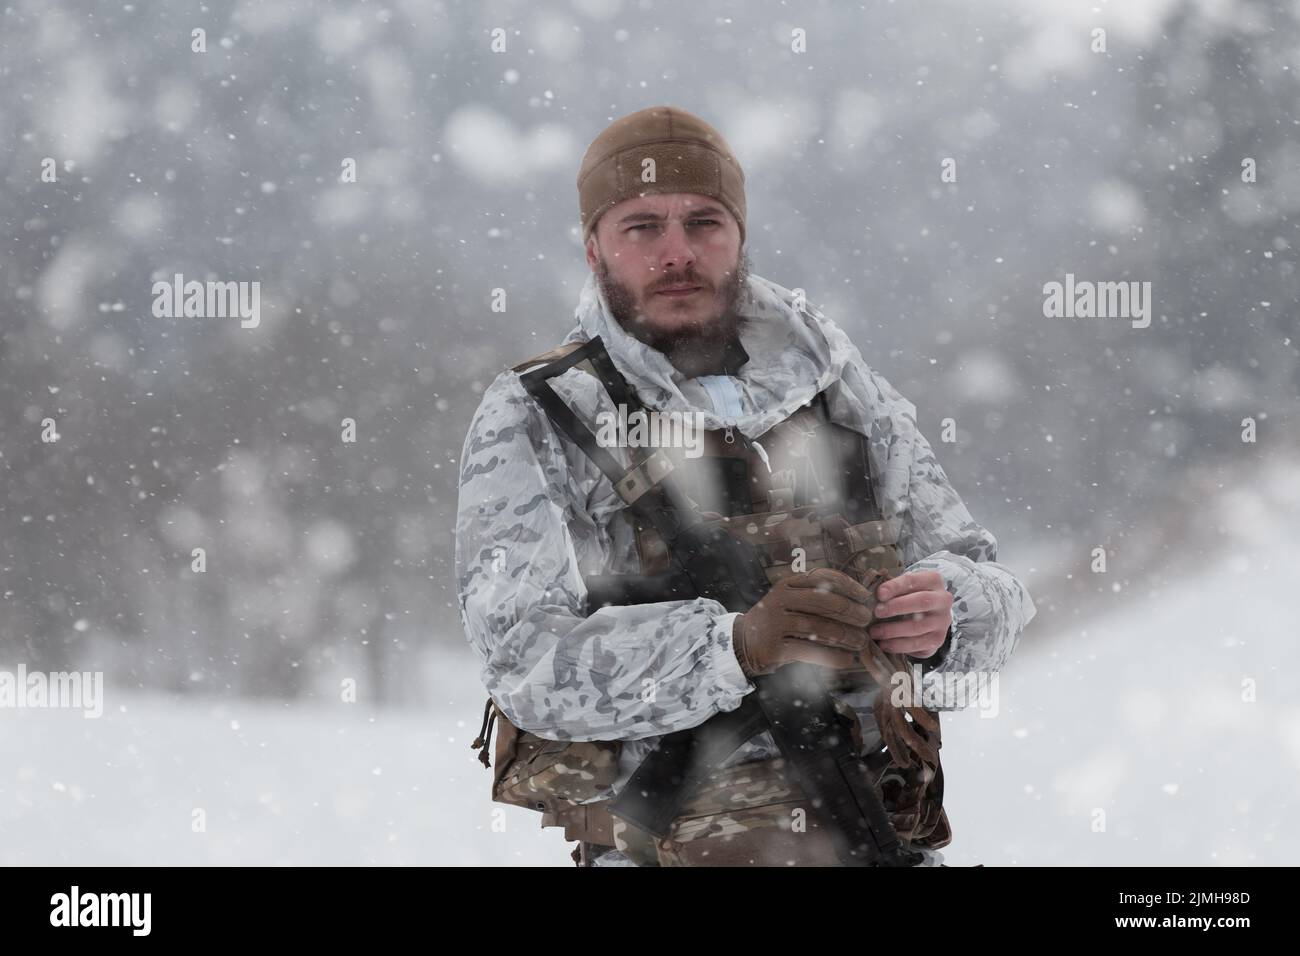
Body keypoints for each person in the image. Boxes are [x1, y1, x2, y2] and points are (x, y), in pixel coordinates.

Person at [455, 105, 1036, 866]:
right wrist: (732, 648)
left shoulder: (837, 383)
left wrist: (949, 616)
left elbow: (992, 588)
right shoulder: (543, 412)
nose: (677, 253)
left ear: (740, 235)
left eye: (704, 222)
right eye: (642, 227)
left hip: (877, 839)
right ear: (594, 250)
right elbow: (524, 663)